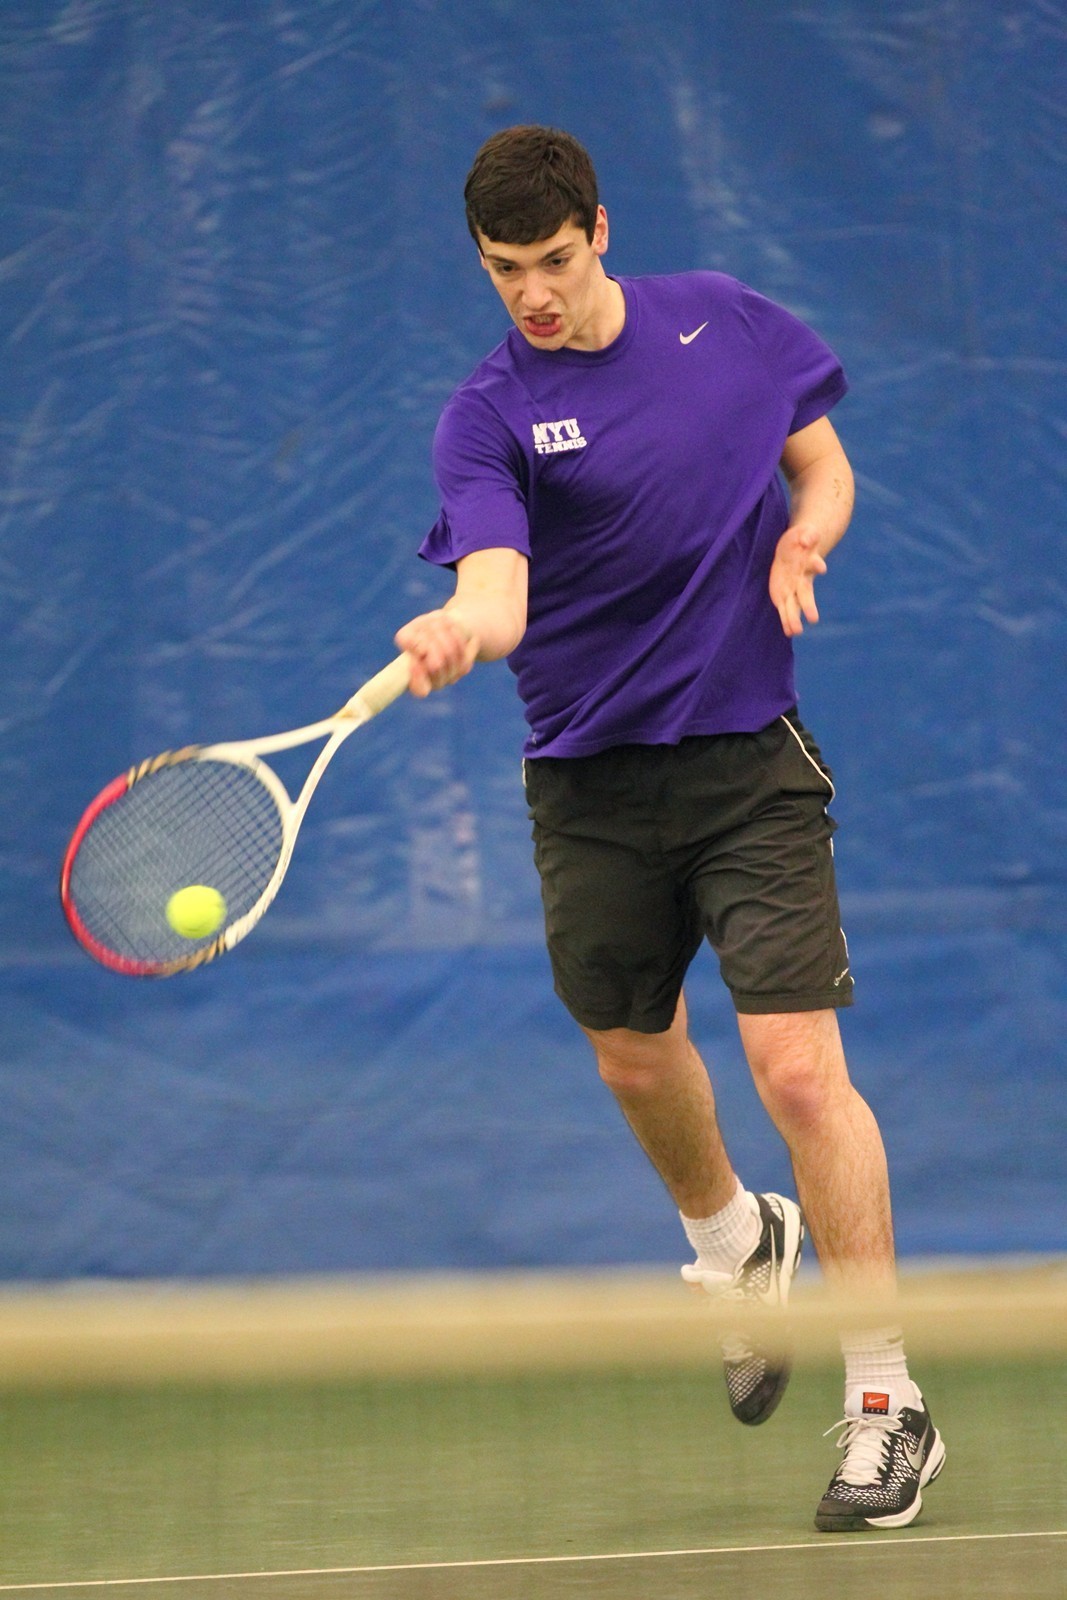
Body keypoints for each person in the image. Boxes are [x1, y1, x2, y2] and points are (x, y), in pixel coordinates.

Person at [394, 124, 945, 1531]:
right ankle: (732, 1239)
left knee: (799, 1071)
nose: (534, 293)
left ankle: (888, 1402)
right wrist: (465, 624)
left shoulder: (725, 323)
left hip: (744, 762)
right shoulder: (487, 414)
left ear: (601, 229)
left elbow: (822, 465)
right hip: (586, 783)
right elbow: (503, 594)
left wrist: (806, 530)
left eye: (555, 261)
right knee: (638, 1063)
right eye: (505, 270)